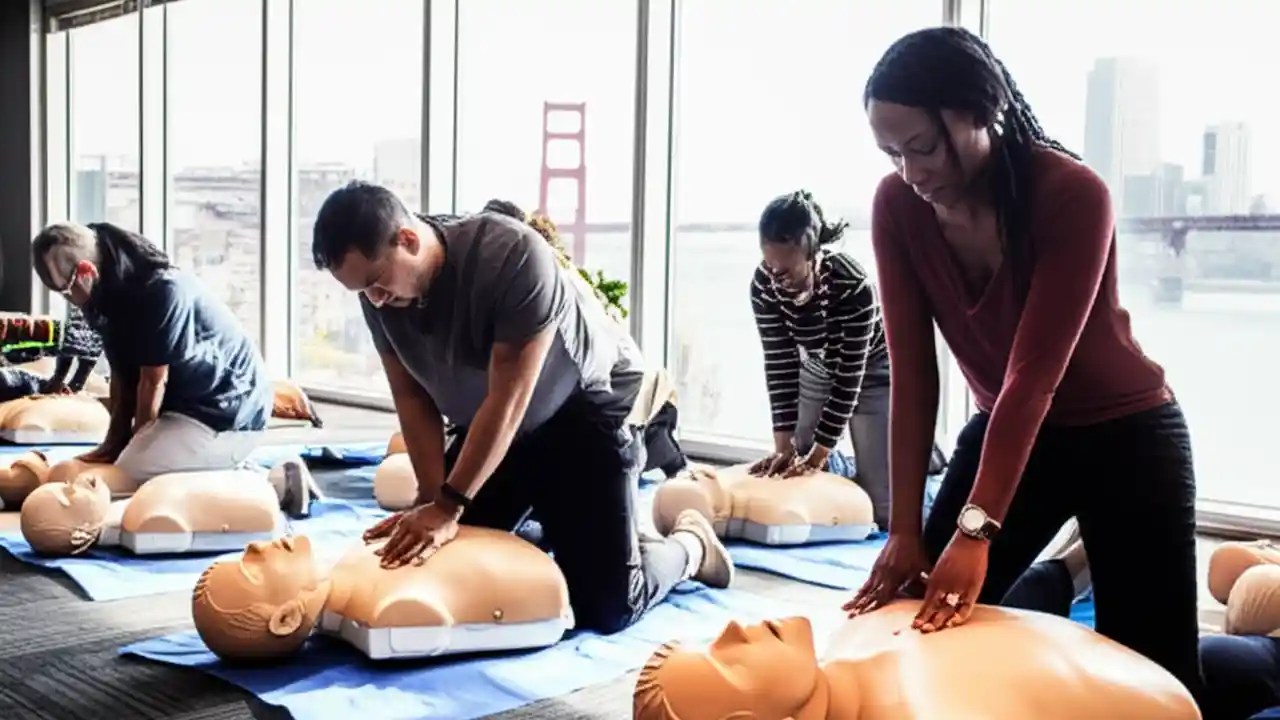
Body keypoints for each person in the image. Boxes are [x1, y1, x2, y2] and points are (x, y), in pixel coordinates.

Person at [844, 25, 1202, 700]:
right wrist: (901, 531)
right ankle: (1062, 578)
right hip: (1013, 437)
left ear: (982, 113)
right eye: (891, 154)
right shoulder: (897, 205)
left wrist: (976, 531)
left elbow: (1031, 380)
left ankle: (1266, 658)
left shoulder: (1072, 194)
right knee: (923, 614)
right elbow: (914, 373)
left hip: (1127, 440)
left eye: (921, 147)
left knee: (1160, 684)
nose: (910, 173)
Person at [310, 181, 733, 634]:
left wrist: (450, 505)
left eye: (376, 283)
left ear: (408, 240)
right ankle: (570, 530)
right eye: (361, 291)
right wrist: (433, 501)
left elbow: (509, 400)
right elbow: (412, 397)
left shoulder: (511, 256)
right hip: (497, 433)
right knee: (445, 555)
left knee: (605, 607)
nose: (374, 301)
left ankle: (690, 547)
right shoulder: (381, 296)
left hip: (583, 420)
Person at [30, 222, 271, 483]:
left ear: (86, 271)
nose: (68, 299)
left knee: (131, 470)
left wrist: (136, 445)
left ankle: (272, 483)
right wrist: (111, 445)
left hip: (227, 414)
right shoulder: (103, 293)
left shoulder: (161, 290)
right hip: (184, 408)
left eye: (65, 291)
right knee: (122, 462)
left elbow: (153, 381)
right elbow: (121, 374)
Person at [745, 190, 892, 528]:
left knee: (883, 510)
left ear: (812, 255)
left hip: (872, 368)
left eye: (786, 271)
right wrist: (784, 448)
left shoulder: (853, 285)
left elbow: (849, 379)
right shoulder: (763, 286)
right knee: (797, 462)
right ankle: (844, 463)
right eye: (770, 267)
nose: (776, 279)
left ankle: (914, 456)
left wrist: (818, 456)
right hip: (817, 363)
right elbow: (780, 365)